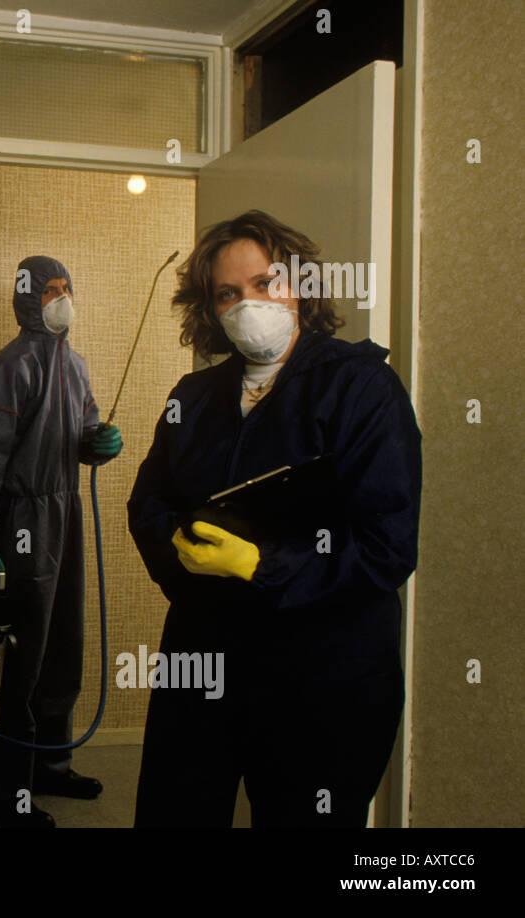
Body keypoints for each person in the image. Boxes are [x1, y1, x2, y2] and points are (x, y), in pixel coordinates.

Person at [128, 210, 421, 827]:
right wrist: (176, 547)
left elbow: (387, 547)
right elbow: (148, 502)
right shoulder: (193, 397)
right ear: (208, 308)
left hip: (324, 673)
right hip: (204, 659)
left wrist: (265, 566)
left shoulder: (361, 386)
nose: (246, 304)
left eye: (264, 284)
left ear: (302, 287)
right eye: (227, 293)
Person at [0, 255, 123, 828]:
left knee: (62, 647)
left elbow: (83, 431)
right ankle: (5, 792)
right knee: (17, 656)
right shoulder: (8, 367)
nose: (63, 298)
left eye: (68, 287)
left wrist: (98, 443)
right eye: (51, 290)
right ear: (28, 299)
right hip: (20, 520)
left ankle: (51, 765)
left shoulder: (74, 367)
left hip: (67, 514)